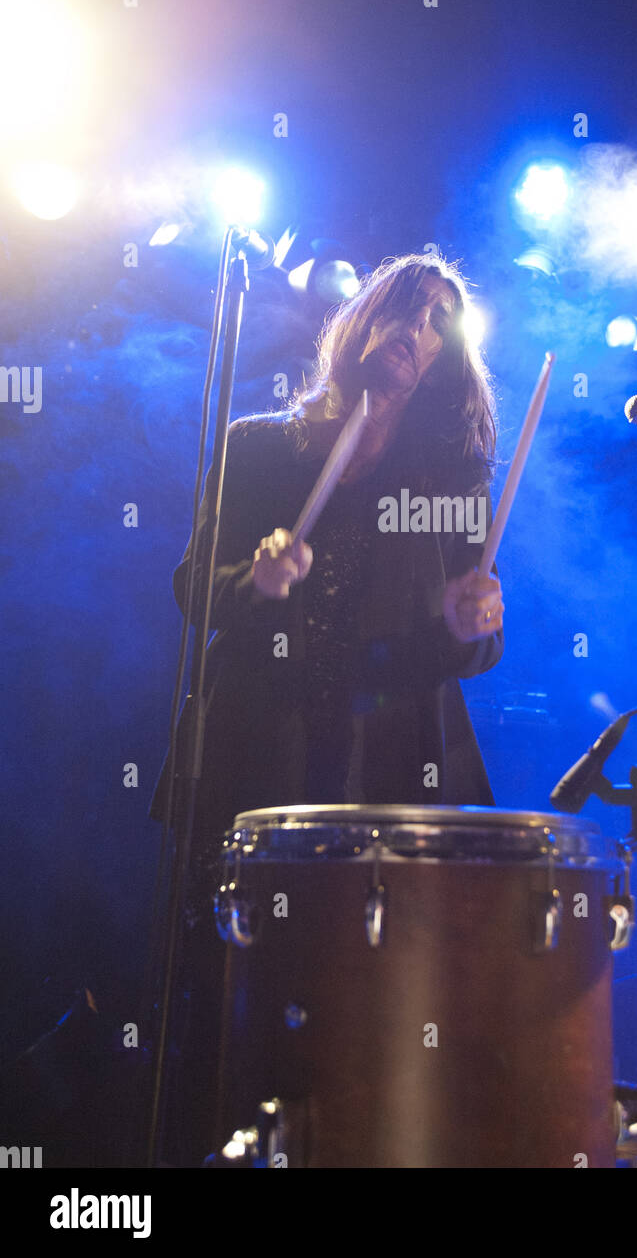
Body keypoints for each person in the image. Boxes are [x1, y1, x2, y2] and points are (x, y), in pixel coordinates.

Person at [149, 252, 504, 1162]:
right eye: (401, 309)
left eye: (435, 323)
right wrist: (253, 582)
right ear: (361, 322)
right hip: (258, 754)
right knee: (236, 994)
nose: (412, 330)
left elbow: (472, 644)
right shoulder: (260, 445)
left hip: (390, 761)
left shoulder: (449, 477)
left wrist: (472, 624)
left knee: (384, 1006)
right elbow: (196, 587)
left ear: (443, 358)